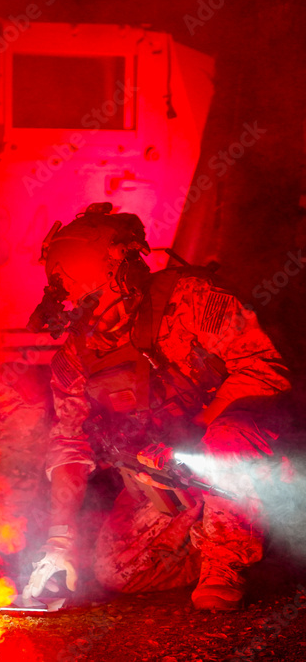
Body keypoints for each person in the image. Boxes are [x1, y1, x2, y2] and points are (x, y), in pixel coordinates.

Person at [22, 203, 291, 611]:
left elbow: (265, 370)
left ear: (123, 272)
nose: (92, 318)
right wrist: (59, 541)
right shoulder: (78, 354)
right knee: (120, 570)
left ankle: (229, 559)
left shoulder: (192, 299)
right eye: (81, 305)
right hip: (170, 476)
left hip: (235, 450)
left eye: (96, 299)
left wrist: (198, 428)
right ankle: (226, 535)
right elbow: (69, 443)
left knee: (229, 434)